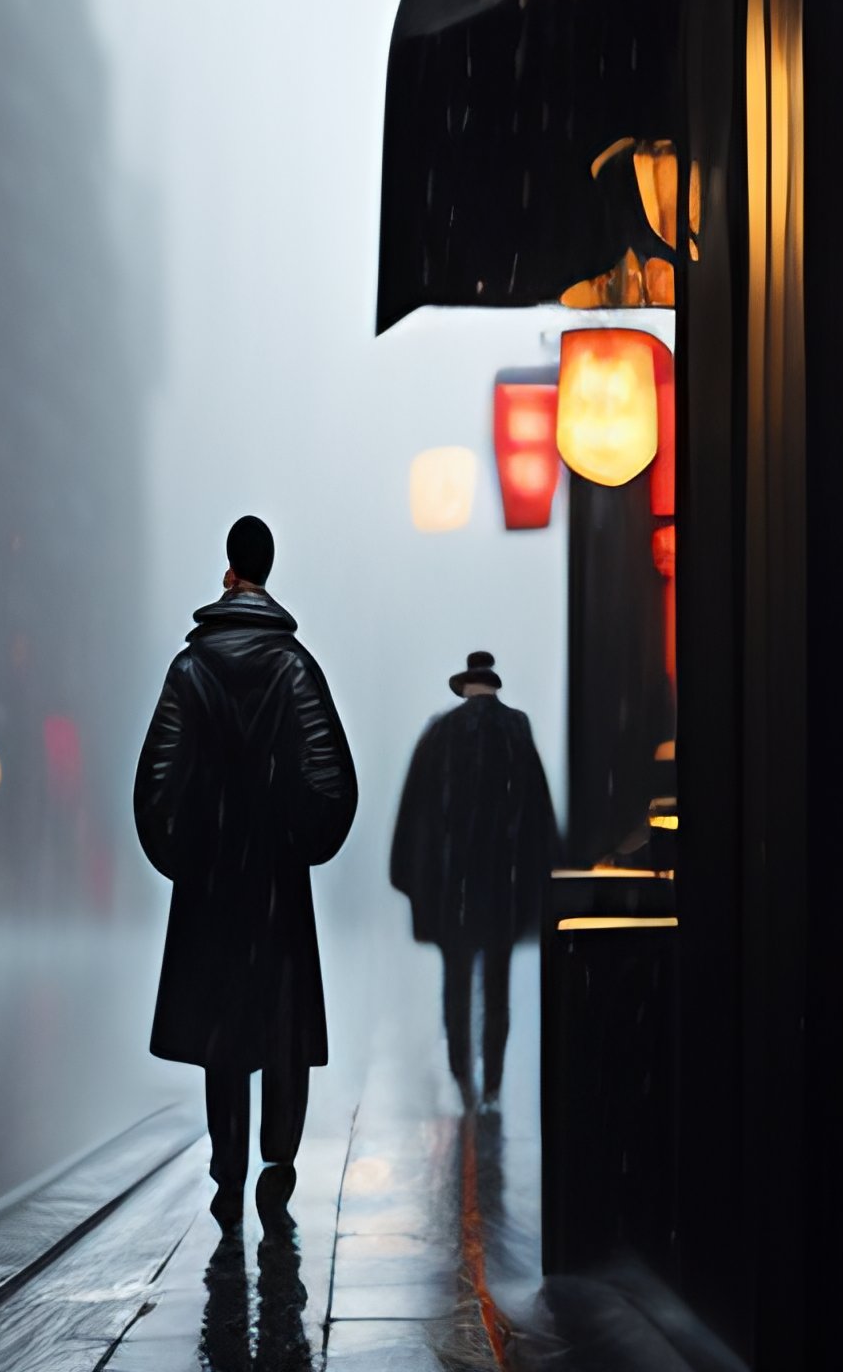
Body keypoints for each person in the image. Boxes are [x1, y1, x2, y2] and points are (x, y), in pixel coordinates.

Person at [134, 514, 358, 1230]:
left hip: (212, 886)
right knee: (282, 1029)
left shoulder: (190, 669)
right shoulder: (295, 667)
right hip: (275, 885)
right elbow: (332, 786)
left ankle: (226, 1170)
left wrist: (190, 856)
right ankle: (277, 1167)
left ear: (228, 572)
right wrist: (293, 840)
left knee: (222, 1036)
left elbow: (156, 787)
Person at [389, 648, 556, 1108]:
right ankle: (493, 1081)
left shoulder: (441, 733)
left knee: (456, 980)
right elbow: (538, 813)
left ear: (464, 687)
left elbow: (416, 813)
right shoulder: (516, 730)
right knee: (496, 984)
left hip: (452, 886)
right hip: (502, 883)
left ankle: (462, 1075)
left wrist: (413, 878)